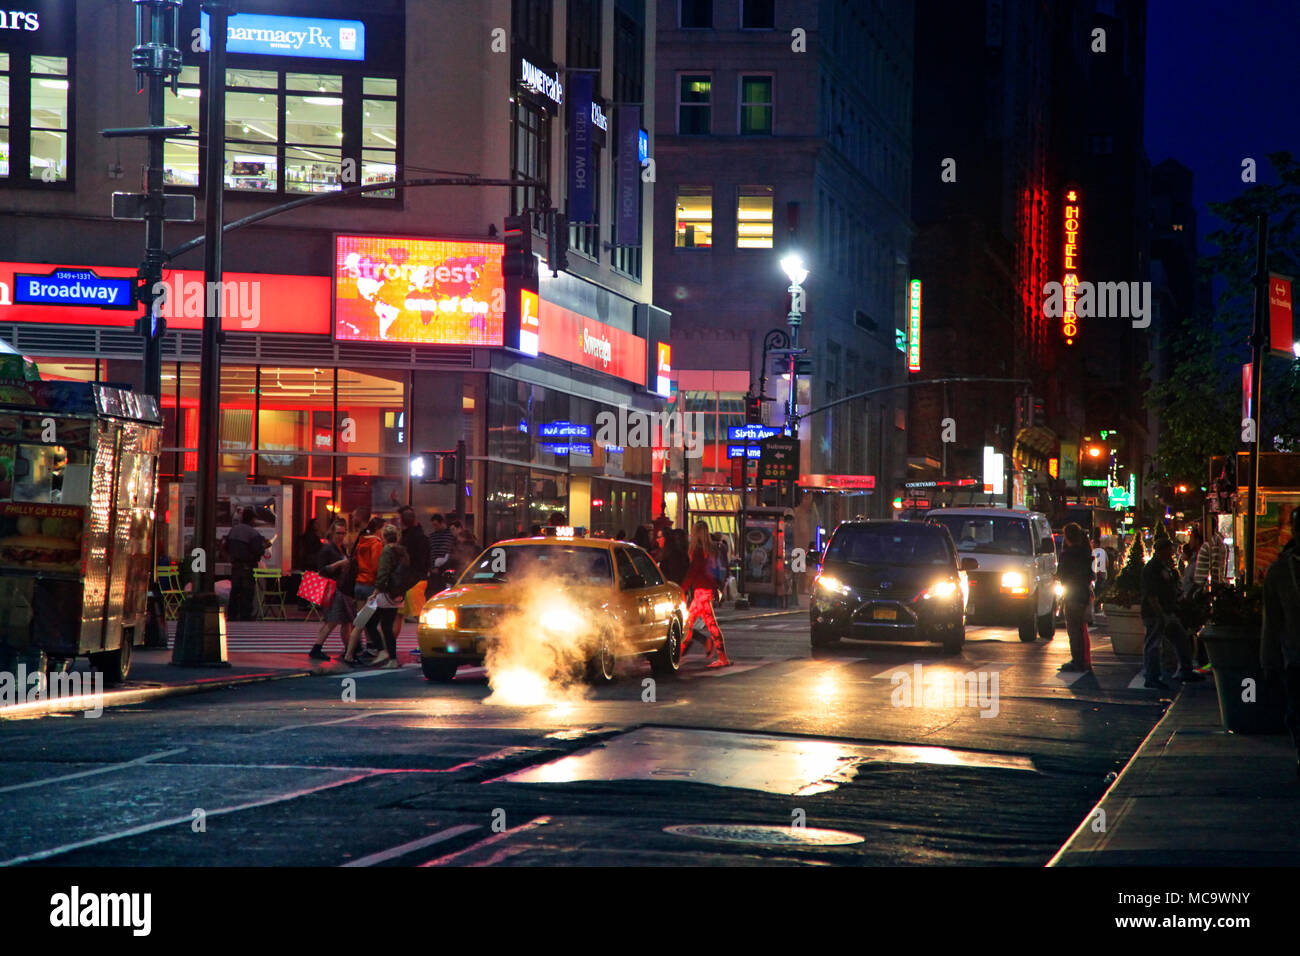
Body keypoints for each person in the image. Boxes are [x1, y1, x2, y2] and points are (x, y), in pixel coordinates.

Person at [1261, 507, 1300, 780]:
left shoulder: (1281, 570)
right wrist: (1269, 660)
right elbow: (1271, 622)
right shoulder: (1281, 571)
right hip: (1295, 659)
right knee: (1296, 713)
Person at [1139, 537, 1205, 690]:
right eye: (1169, 550)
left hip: (1168, 611)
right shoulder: (1152, 568)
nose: (1171, 553)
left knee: (1181, 639)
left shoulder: (1164, 566)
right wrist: (1160, 613)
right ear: (1161, 550)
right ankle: (1152, 677)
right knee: (1153, 645)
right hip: (1156, 613)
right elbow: (1151, 594)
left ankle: (1185, 670)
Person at [345, 525, 408, 668]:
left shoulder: (387, 551)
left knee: (370, 623)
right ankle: (392, 659)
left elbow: (382, 572)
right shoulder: (402, 551)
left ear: (384, 536)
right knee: (387, 626)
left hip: (385, 593)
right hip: (397, 594)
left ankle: (381, 650)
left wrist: (376, 591)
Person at [680, 520, 731, 667]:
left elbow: (693, 571)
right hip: (706, 590)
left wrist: (682, 587)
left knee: (709, 623)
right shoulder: (711, 549)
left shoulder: (698, 550)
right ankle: (678, 654)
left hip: (701, 591)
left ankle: (722, 658)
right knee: (688, 623)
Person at [308, 521, 353, 660]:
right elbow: (322, 570)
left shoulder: (341, 548)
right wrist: (339, 564)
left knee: (346, 621)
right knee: (332, 621)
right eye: (338, 533)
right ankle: (317, 648)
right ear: (332, 533)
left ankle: (349, 651)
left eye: (343, 533)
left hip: (341, 588)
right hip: (332, 589)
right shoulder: (327, 549)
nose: (341, 536)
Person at [1056, 523, 1094, 672]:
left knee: (1073, 630)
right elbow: (1091, 575)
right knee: (1081, 629)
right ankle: (1083, 660)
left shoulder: (1067, 554)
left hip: (1072, 595)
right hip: (1083, 593)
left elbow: (1061, 574)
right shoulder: (1086, 553)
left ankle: (1077, 661)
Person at [222, 507, 268, 621]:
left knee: (235, 590)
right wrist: (264, 546)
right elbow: (258, 550)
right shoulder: (253, 533)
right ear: (252, 519)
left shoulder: (234, 530)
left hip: (236, 565)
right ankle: (245, 615)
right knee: (247, 591)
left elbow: (226, 546)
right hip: (248, 565)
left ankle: (232, 614)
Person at [396, 506, 430, 639]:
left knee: (415, 616)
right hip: (417, 579)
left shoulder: (407, 538)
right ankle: (422, 645)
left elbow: (406, 561)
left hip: (410, 581)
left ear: (403, 521)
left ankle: (389, 647)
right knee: (417, 616)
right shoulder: (421, 536)